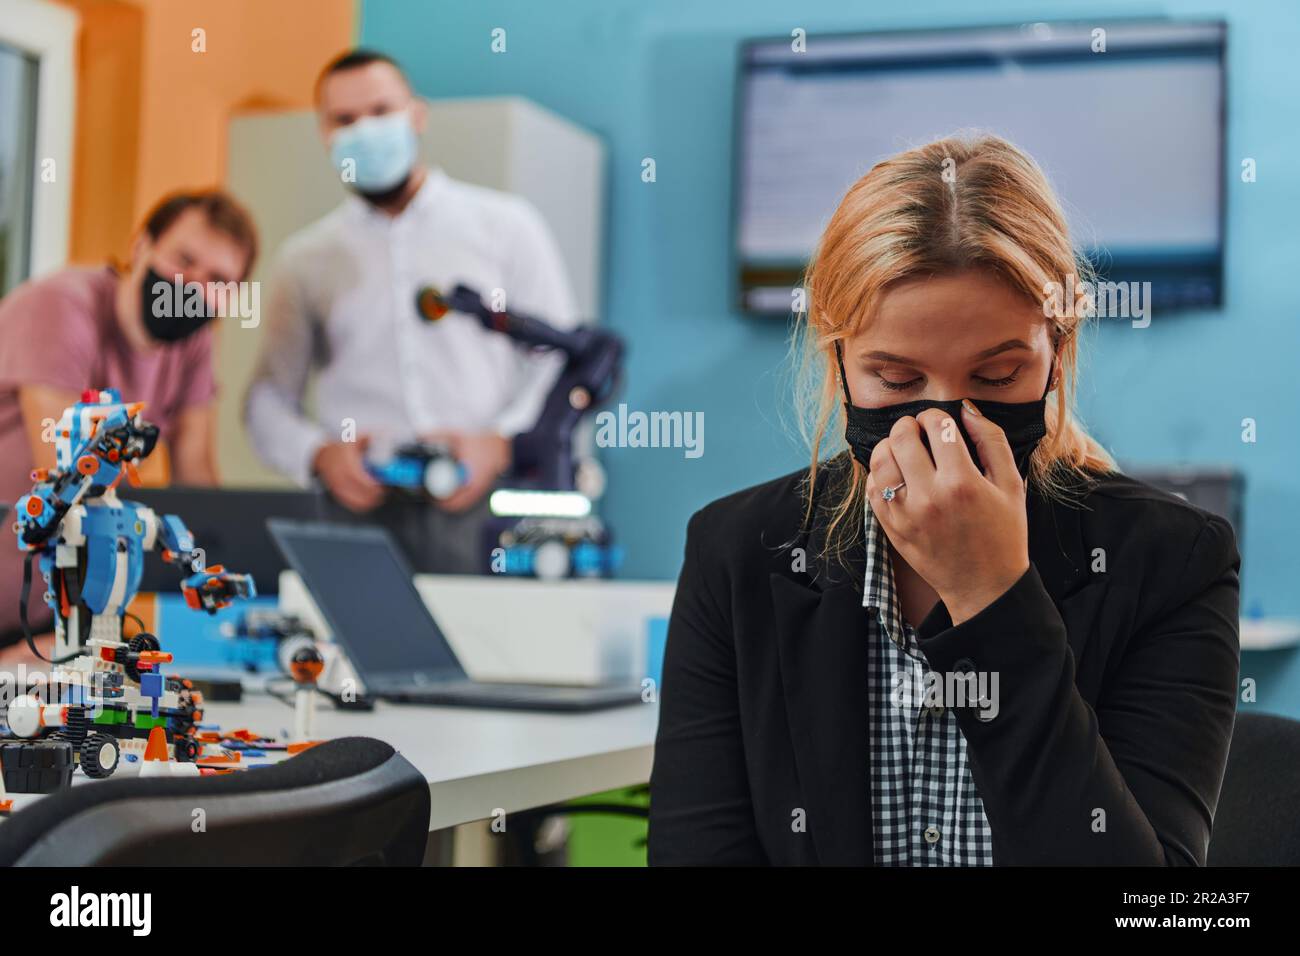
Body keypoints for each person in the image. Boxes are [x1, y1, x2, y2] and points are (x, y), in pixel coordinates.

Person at [647, 134, 1241, 866]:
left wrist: (993, 598)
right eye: (895, 381)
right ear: (837, 357)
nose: (943, 426)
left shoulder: (1174, 562)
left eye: (996, 378)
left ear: (1057, 350)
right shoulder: (734, 553)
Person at [244, 49, 578, 573]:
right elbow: (266, 399)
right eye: (345, 120)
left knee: (491, 651)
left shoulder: (506, 226)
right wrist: (318, 455)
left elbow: (558, 357)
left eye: (381, 111)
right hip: (355, 513)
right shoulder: (306, 259)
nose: (366, 130)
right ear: (324, 134)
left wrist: (502, 442)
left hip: (485, 506)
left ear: (417, 115)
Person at [0, 189, 259, 657]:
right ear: (142, 245)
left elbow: (197, 485)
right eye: (185, 260)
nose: (194, 286)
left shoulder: (192, 345)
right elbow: (66, 479)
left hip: (38, 619)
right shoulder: (61, 307)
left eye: (218, 280)